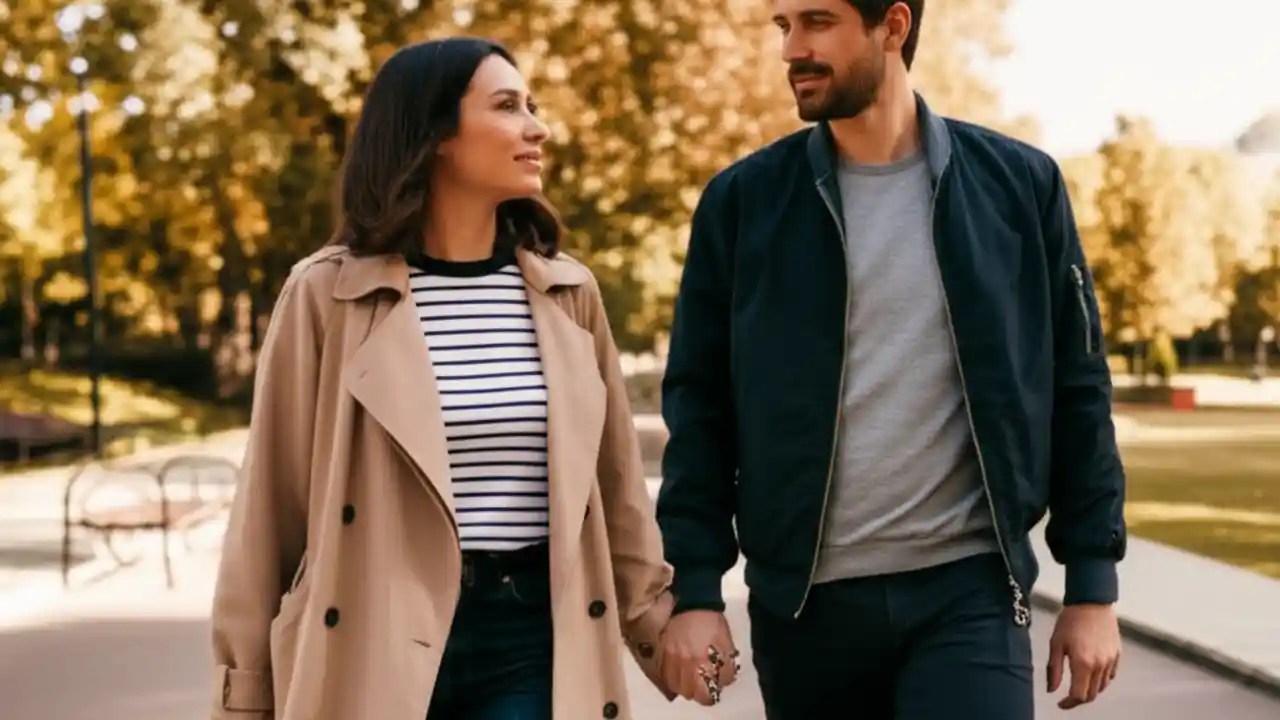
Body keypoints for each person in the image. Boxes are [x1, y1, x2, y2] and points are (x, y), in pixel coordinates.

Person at [654, 1, 1126, 717]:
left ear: (893, 26)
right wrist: (695, 590)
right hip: (805, 611)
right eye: (783, 27)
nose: (791, 49)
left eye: (817, 22)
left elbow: (1077, 386)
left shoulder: (1020, 186)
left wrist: (1092, 585)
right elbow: (700, 407)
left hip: (968, 591)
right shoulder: (742, 203)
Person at [209, 37, 677, 720]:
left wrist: (663, 630)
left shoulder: (567, 295)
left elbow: (616, 493)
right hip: (371, 638)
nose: (536, 126)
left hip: (528, 638)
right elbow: (268, 516)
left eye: (532, 106)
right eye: (508, 106)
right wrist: (243, 695)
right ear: (435, 137)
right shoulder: (326, 297)